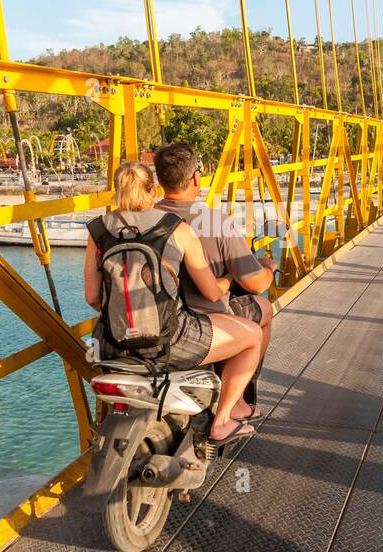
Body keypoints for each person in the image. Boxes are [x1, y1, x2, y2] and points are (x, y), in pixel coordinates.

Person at [84, 161, 261, 442]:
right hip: (169, 341)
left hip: (111, 343)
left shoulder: (98, 231)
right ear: (153, 190)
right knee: (253, 336)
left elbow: (92, 297)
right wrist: (229, 280)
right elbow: (212, 293)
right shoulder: (175, 228)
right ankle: (224, 421)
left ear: (116, 191)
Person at [152, 143, 275, 420]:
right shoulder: (215, 221)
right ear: (195, 178)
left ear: (160, 180)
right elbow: (256, 284)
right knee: (264, 309)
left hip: (153, 322)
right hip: (202, 323)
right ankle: (236, 401)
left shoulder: (147, 219)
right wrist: (268, 268)